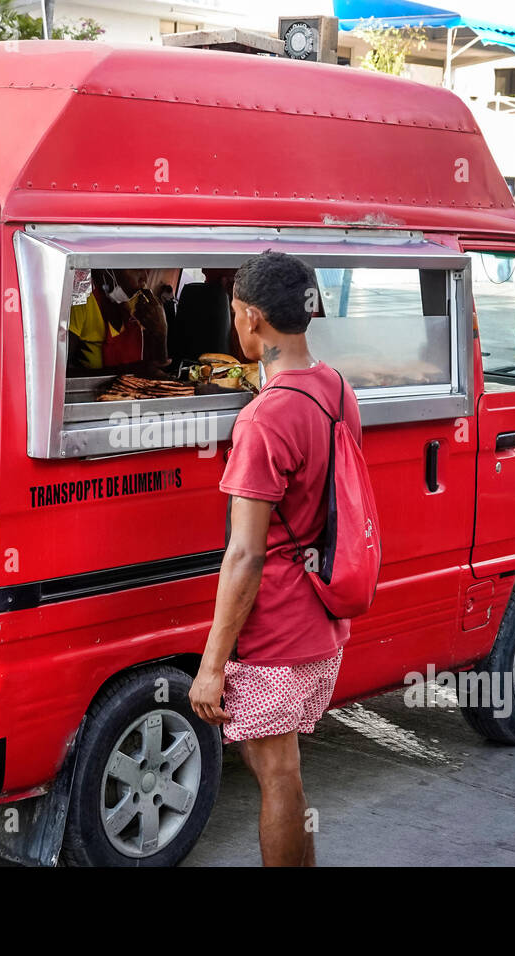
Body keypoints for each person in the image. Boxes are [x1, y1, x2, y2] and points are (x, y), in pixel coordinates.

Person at [189, 250, 362, 867]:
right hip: (322, 620)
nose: (235, 325)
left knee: (278, 775)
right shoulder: (336, 387)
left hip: (279, 629)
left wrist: (211, 666)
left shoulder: (265, 418)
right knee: (284, 770)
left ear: (254, 318)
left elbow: (246, 555)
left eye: (236, 313)